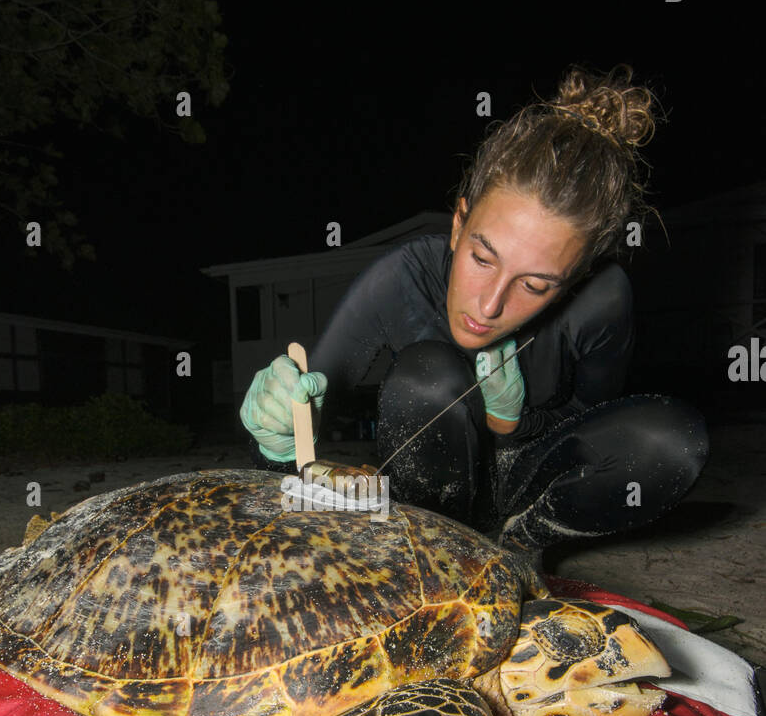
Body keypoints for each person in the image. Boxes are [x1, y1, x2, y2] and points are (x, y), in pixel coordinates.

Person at [239, 65, 709, 564]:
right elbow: (300, 461)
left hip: (527, 488)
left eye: (535, 285)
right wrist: (275, 442)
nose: (489, 306)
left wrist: (511, 425)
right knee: (427, 376)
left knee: (671, 440)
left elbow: (591, 426)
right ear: (460, 224)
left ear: (573, 278)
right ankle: (430, 557)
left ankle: (521, 551)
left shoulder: (604, 299)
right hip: (427, 498)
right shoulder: (402, 278)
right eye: (483, 259)